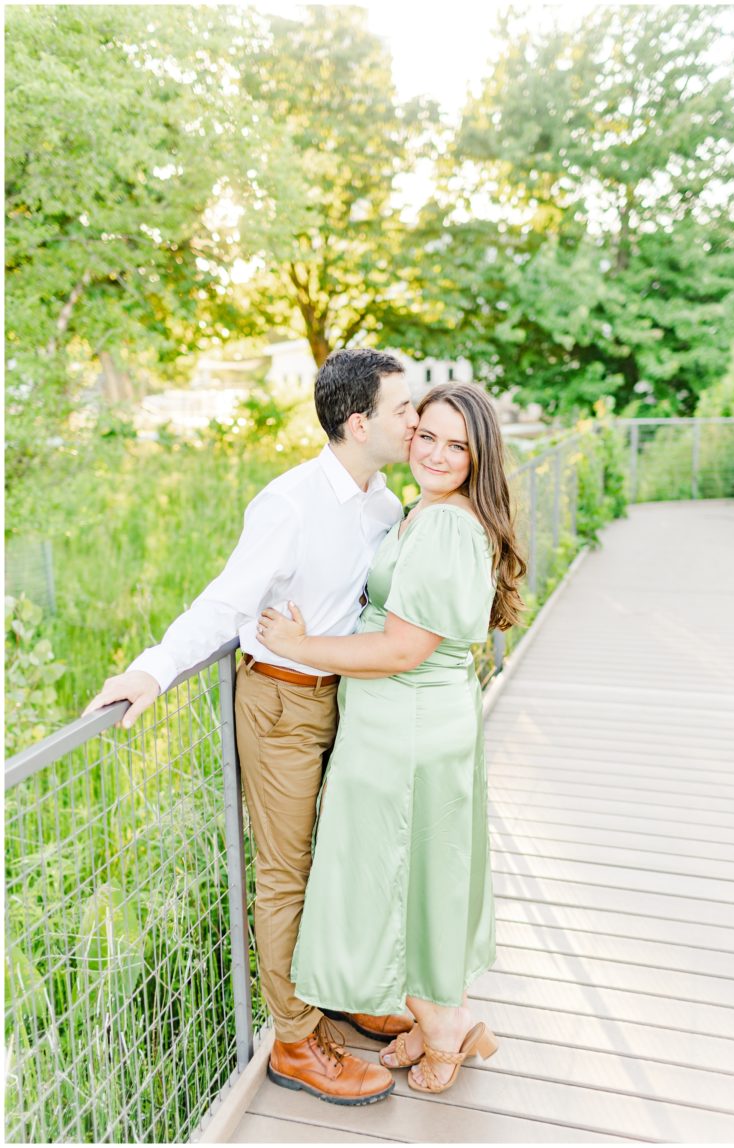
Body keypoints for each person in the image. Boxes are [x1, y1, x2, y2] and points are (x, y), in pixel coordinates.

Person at [84, 348, 423, 1107]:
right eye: (403, 408)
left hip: (349, 699)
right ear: (358, 422)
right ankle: (297, 1042)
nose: (416, 419)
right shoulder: (289, 504)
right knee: (286, 875)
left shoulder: (383, 503)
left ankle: (344, 989)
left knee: (348, 856)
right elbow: (224, 603)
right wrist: (153, 669)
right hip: (280, 705)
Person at [257, 382, 526, 1094]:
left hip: (405, 728)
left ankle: (445, 1029)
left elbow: (405, 648)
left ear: (479, 456)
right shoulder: (431, 510)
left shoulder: (443, 526)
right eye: (426, 435)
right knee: (421, 875)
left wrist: (301, 647)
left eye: (456, 445)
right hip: (414, 721)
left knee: (394, 878)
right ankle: (443, 1015)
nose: (435, 453)